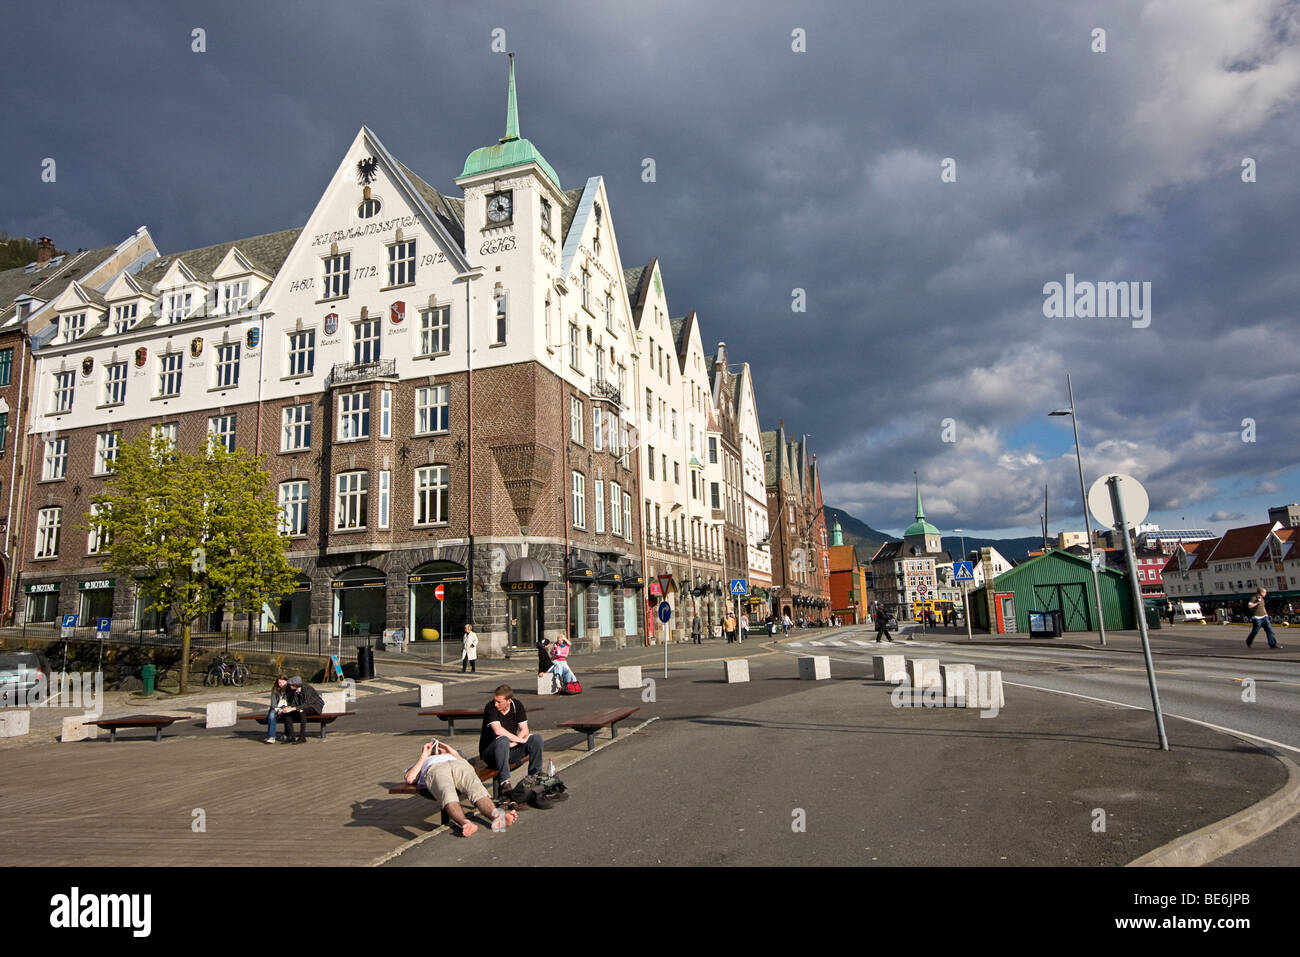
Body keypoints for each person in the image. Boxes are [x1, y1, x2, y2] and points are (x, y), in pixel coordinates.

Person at [405, 738, 517, 837]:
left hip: (459, 765)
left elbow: (470, 768)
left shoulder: (452, 756)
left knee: (477, 790)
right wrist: (424, 755)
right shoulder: (423, 762)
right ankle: (465, 823)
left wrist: (450, 751)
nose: (437, 747)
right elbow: (410, 778)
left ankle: (497, 817)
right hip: (435, 769)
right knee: (447, 793)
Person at [479, 685, 544, 794]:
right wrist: (520, 740)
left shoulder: (517, 705)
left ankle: (534, 778)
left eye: (499, 702)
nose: (496, 704)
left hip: (509, 749)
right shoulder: (490, 707)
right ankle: (505, 782)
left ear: (509, 700)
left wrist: (515, 743)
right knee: (502, 740)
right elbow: (498, 731)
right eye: (495, 701)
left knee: (536, 739)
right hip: (490, 753)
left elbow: (525, 730)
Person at [281, 676, 324, 743]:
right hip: (302, 706)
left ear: (295, 685)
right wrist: (289, 707)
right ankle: (291, 737)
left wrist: (294, 708)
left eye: (290, 685)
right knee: (287, 714)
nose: (289, 686)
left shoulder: (307, 688)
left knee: (302, 712)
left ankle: (302, 737)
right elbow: (294, 702)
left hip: (314, 706)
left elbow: (307, 703)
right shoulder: (294, 690)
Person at [265, 673, 291, 744]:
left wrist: (285, 708)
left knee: (287, 714)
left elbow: (291, 701)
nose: (281, 684)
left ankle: (287, 734)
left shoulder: (290, 689)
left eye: (283, 682)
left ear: (286, 681)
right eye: (279, 682)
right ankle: (271, 736)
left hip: (286, 706)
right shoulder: (274, 689)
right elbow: (273, 703)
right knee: (272, 715)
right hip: (276, 707)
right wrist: (278, 709)